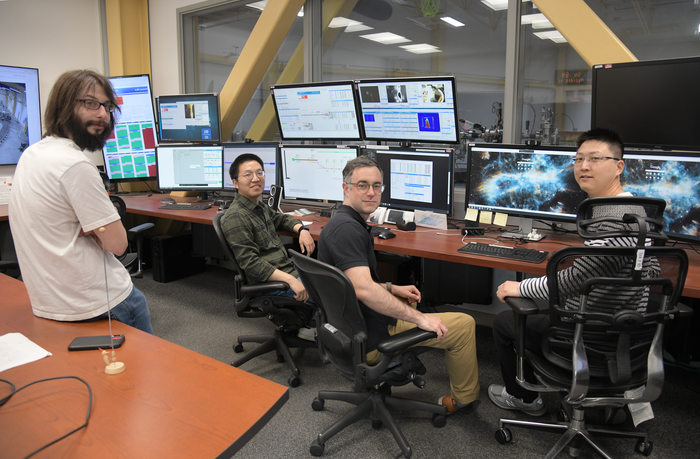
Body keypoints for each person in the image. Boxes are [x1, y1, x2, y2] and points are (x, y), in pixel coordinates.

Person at [489, 127, 658, 416]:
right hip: (620, 328)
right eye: (579, 159)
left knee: (506, 320)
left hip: (589, 333)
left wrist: (518, 288)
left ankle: (524, 398)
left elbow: (574, 279)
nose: (583, 166)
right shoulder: (635, 211)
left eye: (595, 158)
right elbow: (650, 270)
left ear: (619, 166)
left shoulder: (615, 218)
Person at [318, 156, 480, 413]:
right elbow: (362, 289)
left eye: (377, 186)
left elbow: (351, 283)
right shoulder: (347, 231)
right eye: (362, 185)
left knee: (406, 299)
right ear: (346, 188)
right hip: (368, 335)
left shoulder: (343, 222)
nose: (371, 192)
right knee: (465, 325)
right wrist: (420, 319)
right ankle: (463, 400)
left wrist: (393, 289)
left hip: (348, 326)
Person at [9, 69, 153, 333]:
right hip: (102, 301)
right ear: (63, 106)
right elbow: (119, 244)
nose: (102, 114)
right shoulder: (75, 164)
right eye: (90, 103)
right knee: (142, 371)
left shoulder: (32, 154)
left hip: (51, 301)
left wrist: (89, 227)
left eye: (107, 106)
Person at [220, 153, 315, 303]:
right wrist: (290, 280)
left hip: (288, 272)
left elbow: (281, 219)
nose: (256, 178)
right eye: (248, 175)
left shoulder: (258, 207)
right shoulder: (236, 216)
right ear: (235, 183)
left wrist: (302, 229)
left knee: (338, 287)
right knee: (333, 299)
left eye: (259, 173)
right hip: (272, 284)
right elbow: (251, 264)